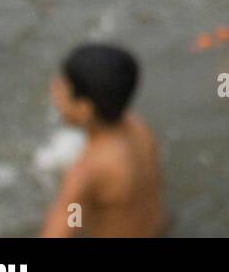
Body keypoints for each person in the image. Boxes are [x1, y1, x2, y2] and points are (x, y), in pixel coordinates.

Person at [40, 44, 165, 238]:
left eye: (61, 87)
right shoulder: (140, 129)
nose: (53, 88)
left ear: (83, 109)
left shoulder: (86, 172)